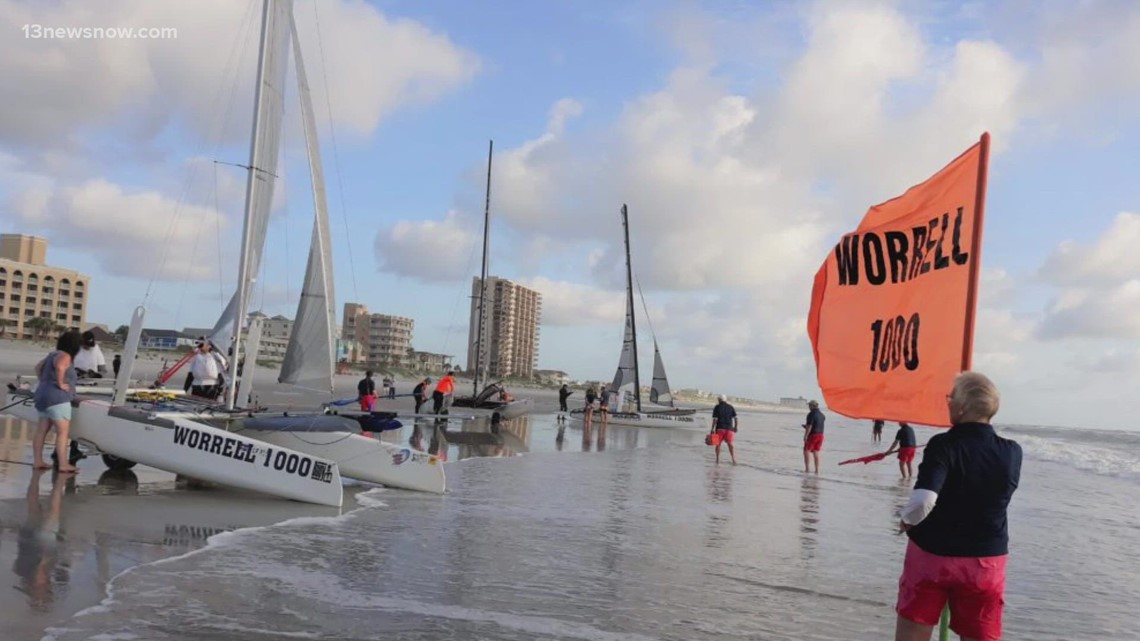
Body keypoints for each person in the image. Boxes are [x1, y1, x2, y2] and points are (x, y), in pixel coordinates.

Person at [895, 372, 1022, 641]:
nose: (948, 402)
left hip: (933, 556)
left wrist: (906, 520)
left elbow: (925, 498)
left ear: (962, 407)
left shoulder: (943, 444)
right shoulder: (1012, 451)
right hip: (985, 561)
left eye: (950, 398)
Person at [31, 330, 81, 472]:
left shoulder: (51, 355)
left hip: (42, 395)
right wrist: (59, 383)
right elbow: (60, 367)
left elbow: (37, 368)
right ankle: (64, 465)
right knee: (63, 432)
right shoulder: (65, 355)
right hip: (58, 398)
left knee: (41, 430)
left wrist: (44, 381)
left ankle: (38, 461)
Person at [709, 394, 738, 465]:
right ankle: (733, 459)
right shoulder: (731, 407)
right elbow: (736, 418)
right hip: (729, 429)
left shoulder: (717, 407)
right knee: (730, 444)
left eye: (718, 399)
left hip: (720, 428)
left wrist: (712, 429)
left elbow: (715, 419)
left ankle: (717, 460)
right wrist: (736, 427)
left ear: (719, 400)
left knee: (718, 444)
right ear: (725, 400)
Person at [802, 400, 825, 474]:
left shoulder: (811, 414)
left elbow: (810, 426)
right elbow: (817, 424)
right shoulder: (822, 415)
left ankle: (807, 469)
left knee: (806, 450)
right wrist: (807, 427)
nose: (809, 407)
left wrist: (805, 436)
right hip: (821, 435)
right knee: (816, 451)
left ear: (812, 406)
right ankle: (817, 470)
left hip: (813, 435)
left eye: (809, 405)